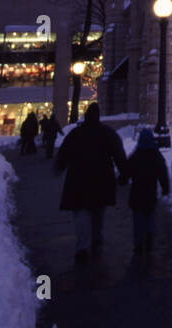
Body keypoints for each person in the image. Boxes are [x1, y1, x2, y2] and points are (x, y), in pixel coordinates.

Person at [54, 102, 128, 264]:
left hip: (78, 181)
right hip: (101, 180)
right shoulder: (107, 133)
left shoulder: (76, 133)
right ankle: (96, 237)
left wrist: (59, 167)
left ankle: (82, 246)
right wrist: (124, 173)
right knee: (98, 211)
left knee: (81, 214)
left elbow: (63, 154)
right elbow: (119, 154)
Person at [125, 129, 170, 255]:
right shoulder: (156, 156)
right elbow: (163, 173)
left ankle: (138, 243)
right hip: (150, 193)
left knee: (138, 220)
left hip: (136, 194)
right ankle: (149, 235)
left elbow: (126, 172)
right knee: (150, 216)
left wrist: (122, 179)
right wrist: (165, 188)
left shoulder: (135, 156)